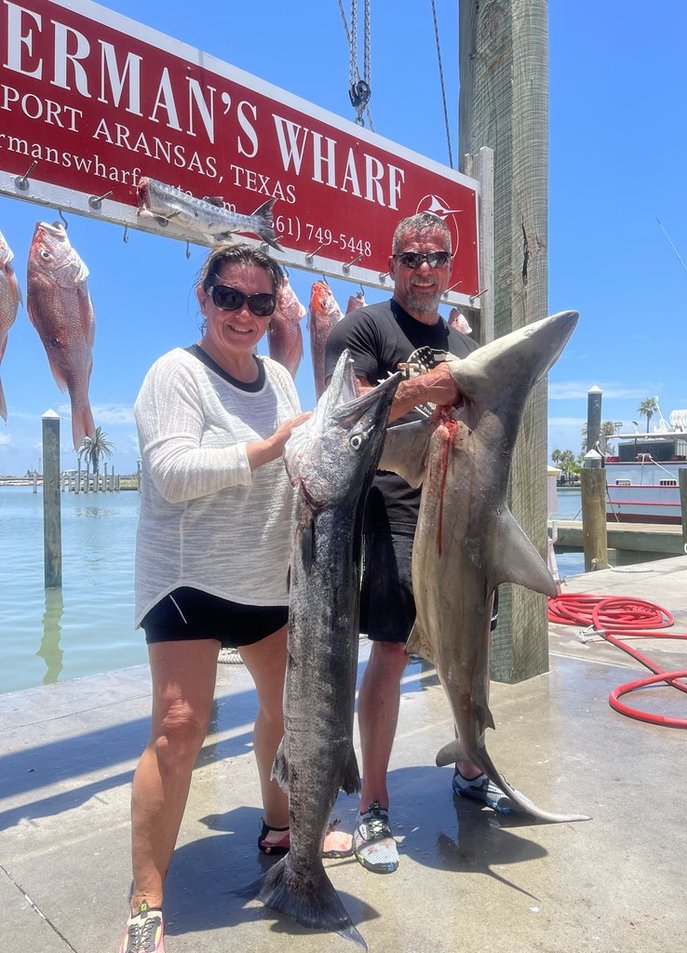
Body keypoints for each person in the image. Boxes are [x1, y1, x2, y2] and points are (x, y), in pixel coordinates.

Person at [119, 243, 312, 953]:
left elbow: (303, 466)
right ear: (202, 295)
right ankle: (146, 900)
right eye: (229, 296)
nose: (244, 313)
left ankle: (280, 823)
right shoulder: (175, 372)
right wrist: (266, 448)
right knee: (177, 726)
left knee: (288, 711)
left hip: (268, 576)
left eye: (260, 302)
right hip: (186, 578)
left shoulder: (282, 383)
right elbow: (170, 471)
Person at [324, 212, 513, 877]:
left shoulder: (468, 341)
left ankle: (469, 763)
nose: (423, 269)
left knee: (472, 639)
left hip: (468, 518)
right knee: (393, 649)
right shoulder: (362, 329)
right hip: (395, 508)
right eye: (410, 258)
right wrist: (426, 388)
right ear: (390, 262)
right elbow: (342, 413)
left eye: (435, 258)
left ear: (451, 267)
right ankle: (374, 800)